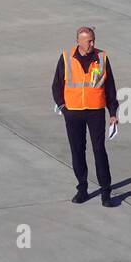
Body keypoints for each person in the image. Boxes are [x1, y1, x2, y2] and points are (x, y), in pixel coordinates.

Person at [52, 26, 118, 205]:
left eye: (93, 40)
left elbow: (110, 87)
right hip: (73, 113)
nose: (92, 43)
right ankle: (82, 189)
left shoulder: (102, 58)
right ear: (78, 41)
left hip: (95, 112)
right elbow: (57, 86)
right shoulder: (66, 58)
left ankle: (106, 193)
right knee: (77, 151)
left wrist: (112, 112)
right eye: (88, 40)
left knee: (99, 151)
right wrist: (63, 107)